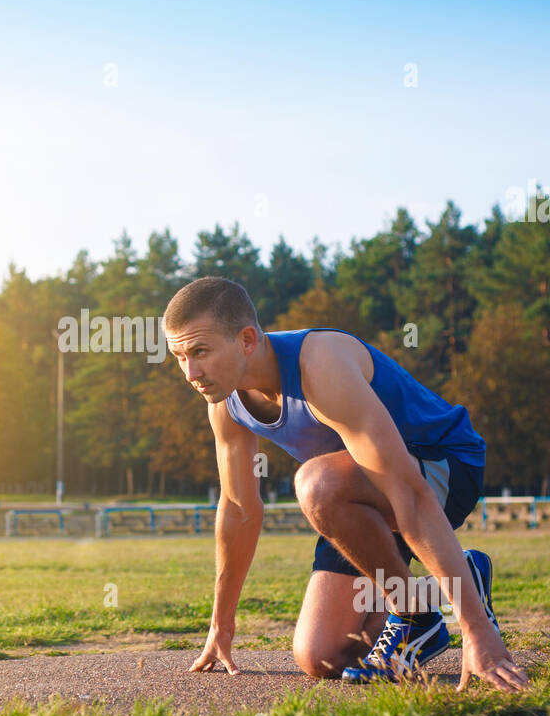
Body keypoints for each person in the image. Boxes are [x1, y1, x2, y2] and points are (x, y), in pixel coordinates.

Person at [161, 276, 529, 691]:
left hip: (441, 468)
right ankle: (442, 595)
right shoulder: (225, 402)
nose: (191, 372)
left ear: (247, 339)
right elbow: (240, 510)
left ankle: (414, 611)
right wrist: (221, 626)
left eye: (200, 351)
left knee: (315, 483)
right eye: (179, 356)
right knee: (322, 655)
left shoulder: (320, 365)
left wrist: (477, 629)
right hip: (357, 498)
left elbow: (407, 490)